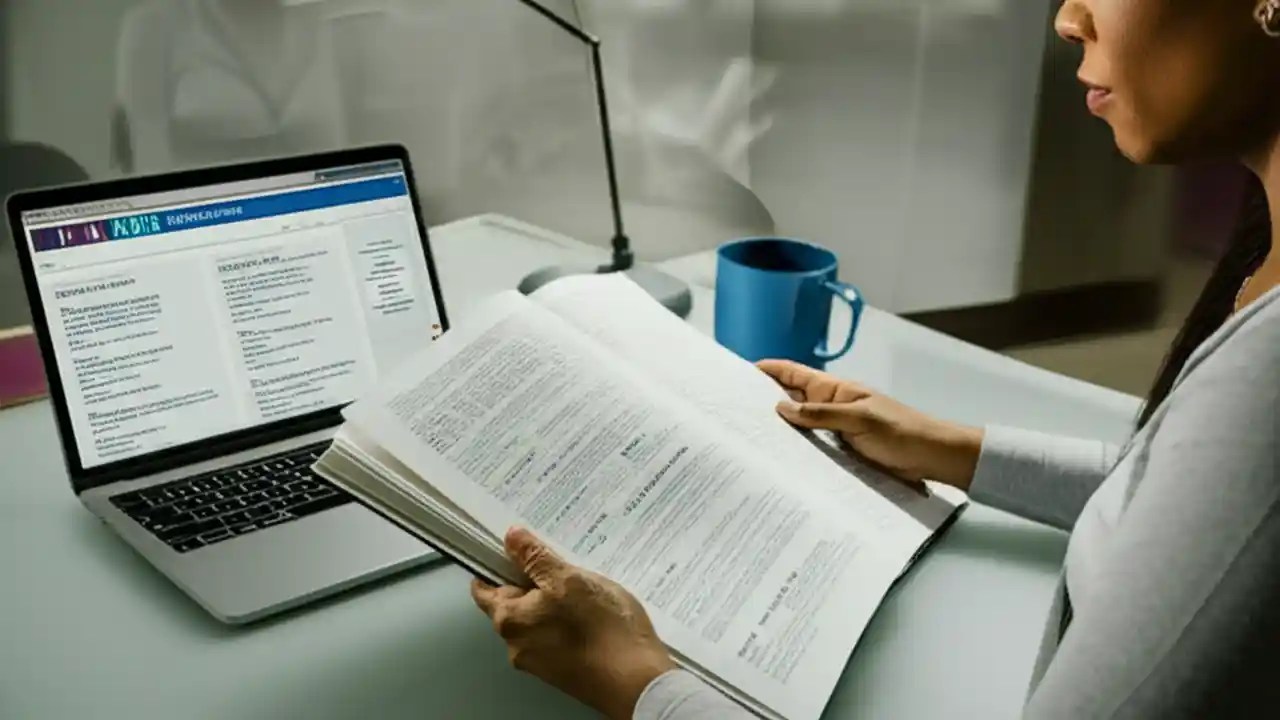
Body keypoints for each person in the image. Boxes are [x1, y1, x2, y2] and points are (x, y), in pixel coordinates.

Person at [469, 0, 1280, 717]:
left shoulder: (1264, 387)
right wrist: (946, 446)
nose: (1068, 19)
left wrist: (635, 680)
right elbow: (1170, 491)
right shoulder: (1260, 281)